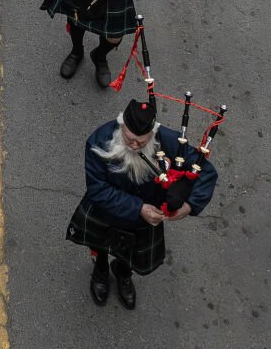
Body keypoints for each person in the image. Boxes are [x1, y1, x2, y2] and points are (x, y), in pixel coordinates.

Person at [68, 95, 217, 310]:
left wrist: (189, 206)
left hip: (142, 222)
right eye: (129, 139)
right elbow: (97, 189)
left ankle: (123, 274)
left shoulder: (168, 141)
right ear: (122, 125)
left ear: (152, 132)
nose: (134, 145)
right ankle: (100, 269)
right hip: (105, 212)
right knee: (99, 245)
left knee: (129, 254)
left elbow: (206, 172)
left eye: (141, 141)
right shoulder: (99, 140)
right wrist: (138, 208)